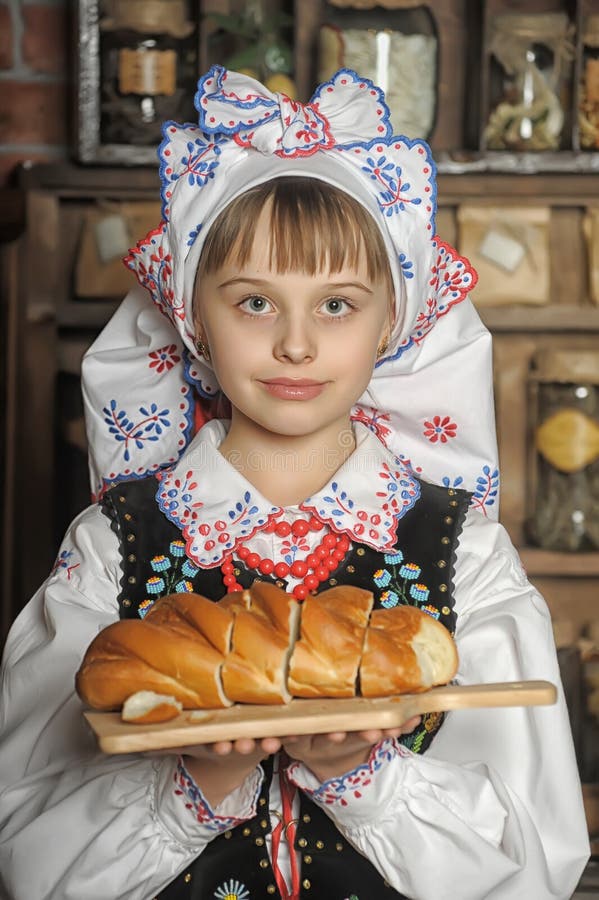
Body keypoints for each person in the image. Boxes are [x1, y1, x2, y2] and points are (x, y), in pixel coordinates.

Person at [0, 65, 590, 900]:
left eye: (337, 305)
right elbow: (27, 865)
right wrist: (195, 780)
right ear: (191, 314)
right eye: (253, 303)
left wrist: (364, 774)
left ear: (394, 319)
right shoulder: (111, 547)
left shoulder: (466, 555)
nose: (296, 345)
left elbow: (532, 866)